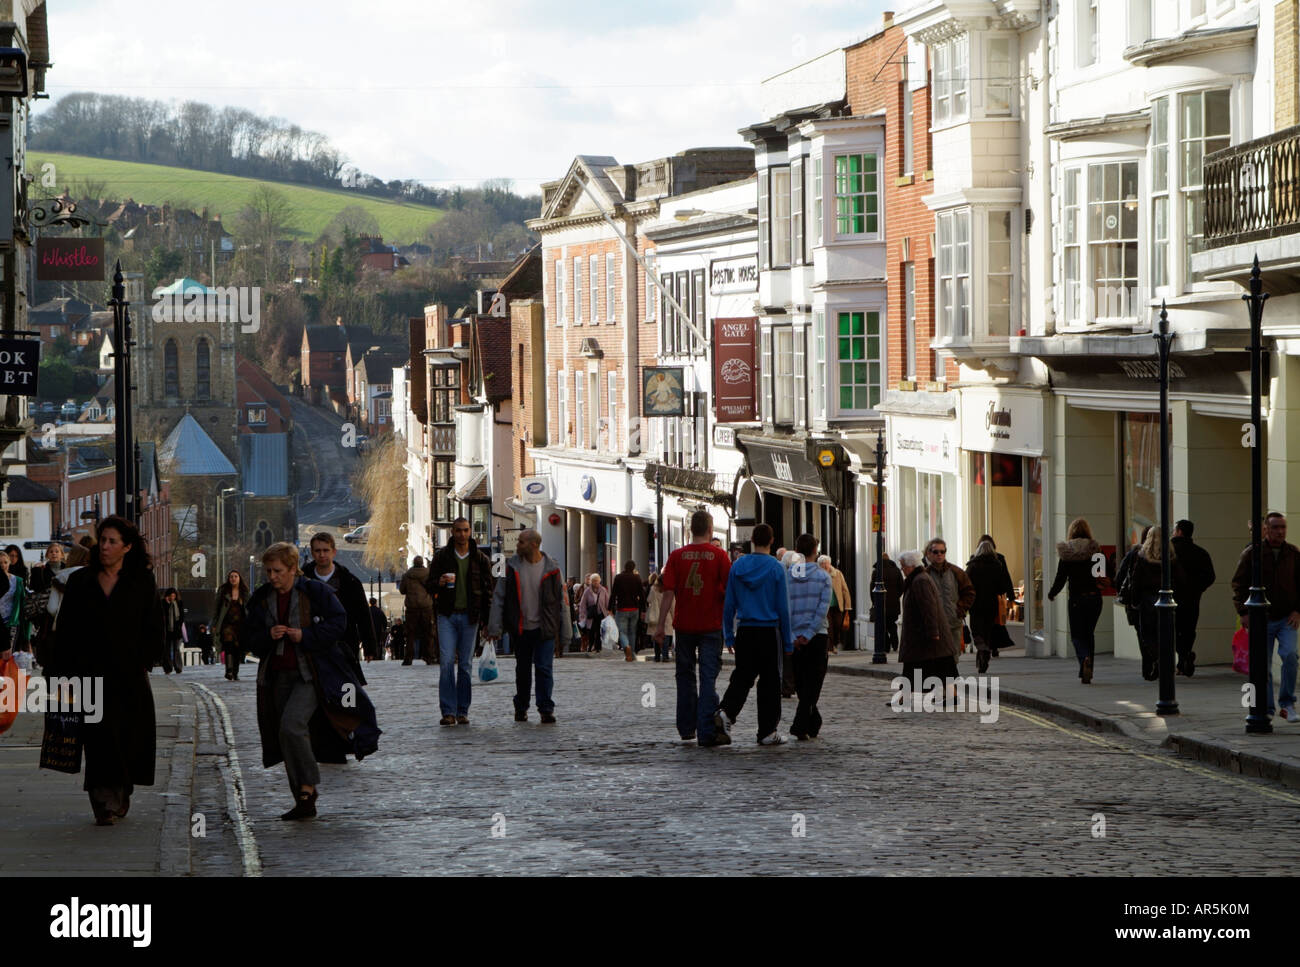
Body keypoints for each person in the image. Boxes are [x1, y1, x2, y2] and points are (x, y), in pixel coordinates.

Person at [242, 542, 381, 821]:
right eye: (268, 571)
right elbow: (249, 636)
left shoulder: (314, 592)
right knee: (284, 734)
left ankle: (308, 787)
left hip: (311, 673)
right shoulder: (262, 598)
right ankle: (302, 798)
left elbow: (338, 622)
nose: (272, 576)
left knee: (293, 725)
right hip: (276, 674)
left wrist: (305, 635)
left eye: (278, 571)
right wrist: (268, 635)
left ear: (293, 569)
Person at [51, 517, 163, 826]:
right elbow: (66, 630)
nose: (105, 546)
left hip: (127, 673)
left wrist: (146, 659)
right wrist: (60, 673)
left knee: (125, 736)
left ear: (127, 546)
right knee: (97, 737)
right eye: (103, 540)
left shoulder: (141, 581)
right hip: (88, 671)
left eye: (113, 541)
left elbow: (154, 626)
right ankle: (103, 801)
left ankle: (121, 789)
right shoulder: (81, 582)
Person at [656, 510, 732, 746]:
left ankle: (687, 727)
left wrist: (660, 625)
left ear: (690, 531)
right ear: (710, 530)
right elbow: (730, 593)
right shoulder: (720, 556)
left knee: (685, 676)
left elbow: (668, 593)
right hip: (711, 625)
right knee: (708, 677)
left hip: (684, 625)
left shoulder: (677, 556)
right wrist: (730, 629)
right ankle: (707, 731)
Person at [717, 523, 793, 746]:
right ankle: (767, 731)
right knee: (770, 681)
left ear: (752, 540)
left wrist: (728, 636)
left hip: (746, 630)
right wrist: (787, 641)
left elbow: (729, 604)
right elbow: (783, 608)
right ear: (771, 541)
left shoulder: (738, 566)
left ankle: (726, 712)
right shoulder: (776, 568)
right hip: (769, 630)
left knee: (742, 677)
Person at [484, 529, 570, 723]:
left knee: (544, 669)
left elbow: (562, 602)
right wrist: (494, 627)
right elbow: (499, 597)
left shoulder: (553, 568)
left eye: (521, 542)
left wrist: (565, 633)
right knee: (522, 671)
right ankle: (521, 706)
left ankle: (545, 708)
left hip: (544, 627)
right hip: (521, 628)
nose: (517, 545)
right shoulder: (510, 567)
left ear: (533, 544)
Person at [425, 517, 494, 726]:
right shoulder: (442, 557)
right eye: (458, 531)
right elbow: (428, 584)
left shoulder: (480, 559)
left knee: (465, 665)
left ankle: (462, 710)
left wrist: (488, 622)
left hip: (470, 616)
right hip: (446, 614)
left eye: (465, 530)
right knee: (446, 662)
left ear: (470, 532)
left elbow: (488, 591)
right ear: (452, 532)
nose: (462, 534)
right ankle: (448, 711)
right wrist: (439, 582)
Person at [1231, 512, 1300, 722]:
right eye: (1276, 527)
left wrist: (1298, 610)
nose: (1280, 531)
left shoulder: (1293, 553)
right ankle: (1265, 707)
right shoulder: (1253, 553)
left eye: (1283, 527)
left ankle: (1287, 703)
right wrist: (1243, 612)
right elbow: (1238, 584)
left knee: (1290, 656)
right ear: (1266, 529)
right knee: (1262, 665)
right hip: (1262, 618)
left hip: (1287, 617)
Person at [304, 532, 377, 664]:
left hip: (344, 642)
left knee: (346, 684)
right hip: (312, 643)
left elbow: (363, 615)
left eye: (326, 550)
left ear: (334, 552)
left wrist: (369, 647)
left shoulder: (350, 581)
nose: (322, 555)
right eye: (318, 551)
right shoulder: (303, 580)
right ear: (312, 553)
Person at [1047, 518, 1104, 683]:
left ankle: (1084, 659)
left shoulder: (1067, 553)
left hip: (1077, 599)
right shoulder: (1095, 549)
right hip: (1094, 598)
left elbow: (1061, 578)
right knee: (1089, 634)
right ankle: (1088, 669)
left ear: (1071, 531)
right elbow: (1101, 575)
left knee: (1077, 636)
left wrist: (1052, 593)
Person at [787, 535, 833, 741]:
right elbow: (822, 609)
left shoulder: (788, 576)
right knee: (813, 682)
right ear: (816, 550)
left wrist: (792, 634)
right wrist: (809, 633)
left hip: (794, 635)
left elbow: (783, 607)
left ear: (797, 550)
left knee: (801, 681)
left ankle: (811, 722)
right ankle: (802, 724)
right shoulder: (823, 577)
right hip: (817, 635)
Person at [1130, 526, 1185, 682]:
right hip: (1167, 600)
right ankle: (1164, 661)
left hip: (1148, 601)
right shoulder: (1171, 558)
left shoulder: (1142, 557)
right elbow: (1182, 580)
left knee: (1147, 635)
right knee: (1166, 635)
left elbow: (1136, 581)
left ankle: (1157, 659)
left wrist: (1134, 601)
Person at [898, 549, 956, 693]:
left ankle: (903, 697)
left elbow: (929, 607)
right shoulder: (917, 579)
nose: (902, 569)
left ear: (911, 566)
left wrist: (933, 632)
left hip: (925, 635)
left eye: (903, 566)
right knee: (940, 668)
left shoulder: (920, 581)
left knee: (939, 667)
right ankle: (903, 697)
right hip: (922, 635)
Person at [1171, 519, 1215, 677]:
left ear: (1179, 532)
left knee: (1173, 630)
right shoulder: (1200, 552)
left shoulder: (1169, 551)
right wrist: (1197, 589)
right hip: (1192, 599)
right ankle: (1184, 657)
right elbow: (1210, 576)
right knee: (1189, 629)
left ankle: (1183, 657)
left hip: (1172, 598)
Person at [965, 541, 1014, 675]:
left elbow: (965, 585)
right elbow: (1003, 586)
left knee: (976, 630)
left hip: (976, 604)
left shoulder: (972, 566)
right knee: (987, 630)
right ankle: (985, 652)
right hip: (991, 604)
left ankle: (982, 649)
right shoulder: (997, 566)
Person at [924, 538, 975, 664]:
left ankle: (949, 682)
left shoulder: (956, 572)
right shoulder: (925, 575)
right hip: (934, 626)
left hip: (953, 623)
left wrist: (960, 609)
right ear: (928, 553)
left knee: (953, 657)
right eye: (935, 552)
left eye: (942, 551)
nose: (939, 555)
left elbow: (969, 592)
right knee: (935, 659)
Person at [973, 534, 1016, 656]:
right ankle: (993, 647)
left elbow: (968, 581)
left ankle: (984, 646)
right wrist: (1010, 596)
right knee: (995, 623)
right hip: (995, 598)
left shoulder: (974, 559)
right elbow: (1006, 578)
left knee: (980, 624)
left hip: (978, 599)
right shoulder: (999, 559)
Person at [214, 570, 250, 681]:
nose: (233, 578)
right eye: (231, 577)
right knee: (228, 645)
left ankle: (235, 672)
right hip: (227, 624)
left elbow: (249, 608)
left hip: (240, 625)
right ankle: (229, 670)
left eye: (235, 576)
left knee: (237, 648)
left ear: (239, 578)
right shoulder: (224, 591)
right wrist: (215, 623)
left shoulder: (244, 592)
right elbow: (217, 607)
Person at [399, 555, 434, 665]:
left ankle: (408, 658)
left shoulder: (407, 575)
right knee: (428, 632)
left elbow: (402, 590)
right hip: (426, 606)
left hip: (412, 607)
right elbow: (432, 587)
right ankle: (429, 656)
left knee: (410, 633)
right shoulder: (428, 574)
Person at [610, 560, 645, 662]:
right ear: (633, 568)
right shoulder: (637, 578)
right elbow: (642, 595)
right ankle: (632, 654)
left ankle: (626, 646)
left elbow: (613, 594)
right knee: (632, 632)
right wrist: (643, 609)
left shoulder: (618, 577)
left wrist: (610, 608)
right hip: (634, 608)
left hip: (622, 608)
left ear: (624, 567)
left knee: (622, 631)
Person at [868, 553, 903, 652]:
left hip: (880, 604)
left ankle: (886, 646)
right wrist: (896, 596)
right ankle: (895, 643)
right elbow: (902, 586)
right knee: (892, 624)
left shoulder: (877, 571)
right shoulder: (896, 571)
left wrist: (874, 601)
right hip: (894, 604)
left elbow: (872, 588)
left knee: (882, 625)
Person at [820, 555, 852, 654]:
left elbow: (844, 589)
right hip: (826, 606)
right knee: (829, 626)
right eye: (823, 564)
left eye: (827, 563)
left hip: (837, 605)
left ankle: (835, 642)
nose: (825, 566)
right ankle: (830, 647)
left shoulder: (837, 573)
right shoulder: (819, 575)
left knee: (838, 625)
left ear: (830, 564)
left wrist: (847, 605)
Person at [645, 572, 674, 663]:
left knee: (655, 635)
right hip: (667, 615)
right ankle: (665, 655)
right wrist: (674, 616)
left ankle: (657, 656)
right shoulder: (670, 590)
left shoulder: (653, 589)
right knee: (666, 635)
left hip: (655, 615)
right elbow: (673, 605)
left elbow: (648, 600)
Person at [578, 575, 609, 653]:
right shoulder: (587, 591)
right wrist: (582, 615)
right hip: (591, 614)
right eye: (594, 581)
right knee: (591, 630)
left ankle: (598, 647)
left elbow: (607, 601)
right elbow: (583, 604)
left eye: (597, 580)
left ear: (599, 581)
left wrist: (609, 611)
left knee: (599, 630)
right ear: (591, 582)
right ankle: (590, 645)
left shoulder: (603, 590)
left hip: (601, 613)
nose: (595, 582)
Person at [162, 588, 186, 674]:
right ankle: (168, 668)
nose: (172, 597)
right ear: (167, 596)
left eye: (174, 595)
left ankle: (178, 667)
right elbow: (162, 615)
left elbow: (182, 616)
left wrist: (179, 625)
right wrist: (167, 604)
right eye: (171, 595)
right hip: (167, 630)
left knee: (176, 649)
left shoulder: (179, 603)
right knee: (167, 649)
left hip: (176, 630)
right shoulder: (163, 603)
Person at [368, 598, 388, 662]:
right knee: (378, 643)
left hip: (369, 630)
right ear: (376, 602)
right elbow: (384, 621)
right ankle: (377, 656)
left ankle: (370, 656)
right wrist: (384, 629)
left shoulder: (368, 610)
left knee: (370, 643)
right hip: (378, 630)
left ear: (370, 602)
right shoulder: (379, 611)